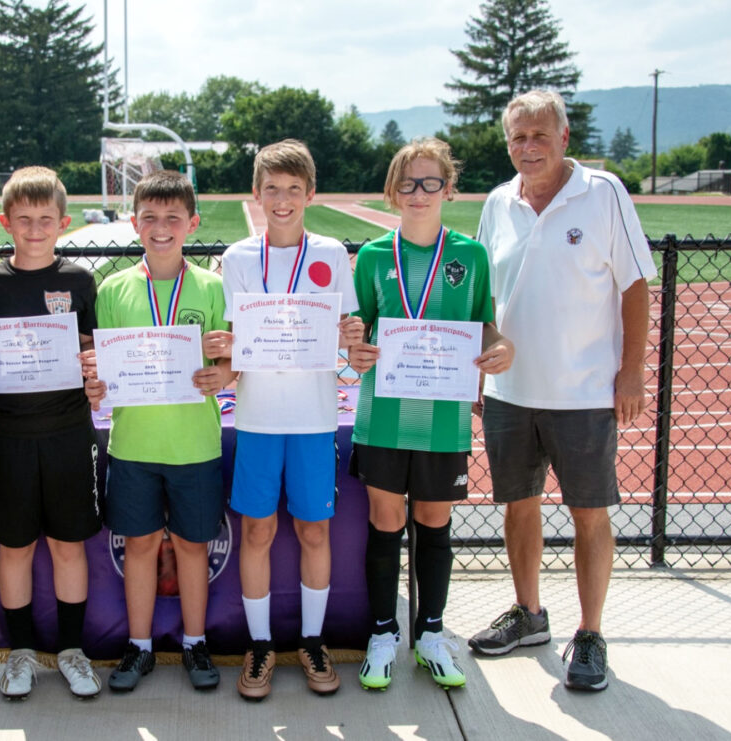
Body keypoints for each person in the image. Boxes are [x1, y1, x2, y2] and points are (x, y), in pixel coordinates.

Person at [467, 90, 655, 692]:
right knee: (518, 508)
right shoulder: (498, 203)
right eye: (518, 137)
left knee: (589, 514)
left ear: (564, 138)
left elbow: (634, 286)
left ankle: (591, 632)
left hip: (583, 391)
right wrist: (478, 374)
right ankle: (529, 613)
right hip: (510, 391)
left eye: (539, 135)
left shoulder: (602, 194)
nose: (528, 147)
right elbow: (483, 298)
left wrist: (631, 372)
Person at [347, 138, 514, 691]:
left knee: (435, 522)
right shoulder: (373, 256)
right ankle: (381, 633)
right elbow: (360, 332)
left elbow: (484, 325)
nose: (419, 194)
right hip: (384, 416)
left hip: (443, 416)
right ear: (393, 192)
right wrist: (357, 349)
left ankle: (431, 634)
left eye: (431, 182)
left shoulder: (470, 255)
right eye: (408, 184)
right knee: (385, 523)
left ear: (449, 188)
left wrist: (500, 347)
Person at [216, 139, 363, 700]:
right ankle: (259, 646)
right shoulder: (237, 259)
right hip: (255, 416)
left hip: (314, 415)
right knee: (256, 529)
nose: (282, 200)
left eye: (293, 190)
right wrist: (221, 352)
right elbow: (231, 349)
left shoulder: (330, 253)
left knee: (314, 529)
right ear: (257, 194)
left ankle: (312, 638)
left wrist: (354, 337)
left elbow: (348, 337)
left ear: (310, 194)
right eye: (271, 189)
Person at [83, 171, 235, 692]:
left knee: (194, 548)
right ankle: (140, 645)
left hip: (194, 445)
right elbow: (102, 370)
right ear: (134, 224)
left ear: (192, 223)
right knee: (141, 546)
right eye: (150, 217)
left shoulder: (214, 288)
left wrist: (227, 373)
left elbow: (231, 363)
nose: (161, 227)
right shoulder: (113, 290)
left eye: (173, 218)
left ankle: (195, 642)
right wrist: (96, 387)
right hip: (132, 445)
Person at [0, 167, 103, 700]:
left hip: (70, 432)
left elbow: (92, 348)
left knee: (69, 546)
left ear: (63, 223)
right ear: (5, 222)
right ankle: (20, 651)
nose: (33, 229)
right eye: (22, 220)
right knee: (16, 547)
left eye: (44, 219)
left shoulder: (78, 281)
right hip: (10, 437)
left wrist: (95, 373)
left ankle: (72, 650)